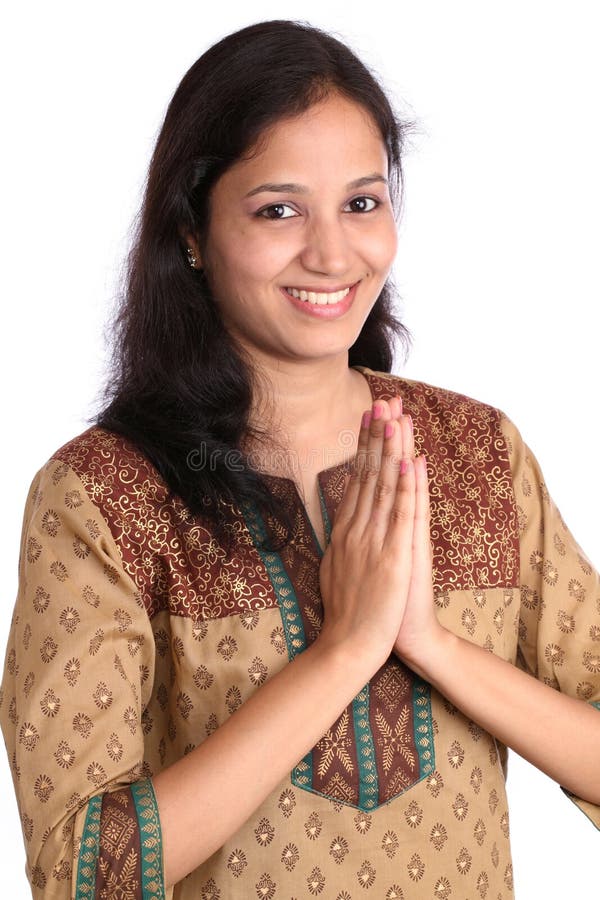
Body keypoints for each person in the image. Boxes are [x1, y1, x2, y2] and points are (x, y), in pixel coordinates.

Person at [1, 18, 598, 900]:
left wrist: (429, 644)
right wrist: (343, 652)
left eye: (361, 203)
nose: (331, 254)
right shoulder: (105, 496)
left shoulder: (476, 454)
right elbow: (83, 870)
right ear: (192, 231)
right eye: (278, 210)